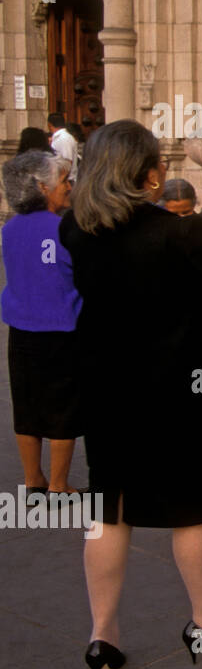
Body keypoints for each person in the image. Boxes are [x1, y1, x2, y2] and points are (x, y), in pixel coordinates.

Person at [60, 120, 202, 669]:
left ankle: (102, 634)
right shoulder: (179, 234)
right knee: (190, 510)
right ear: (150, 174)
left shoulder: (75, 228)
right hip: (178, 392)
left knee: (110, 510)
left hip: (107, 390)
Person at [2, 152, 80, 500]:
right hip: (61, 330)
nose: (68, 186)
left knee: (27, 405)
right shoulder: (66, 228)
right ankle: (60, 487)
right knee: (63, 407)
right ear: (43, 187)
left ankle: (33, 480)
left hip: (21, 328)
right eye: (63, 181)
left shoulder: (10, 228)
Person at [49, 113, 78, 182]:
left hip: (66, 180)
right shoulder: (59, 137)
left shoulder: (64, 138)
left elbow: (67, 162)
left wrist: (61, 181)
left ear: (49, 124)